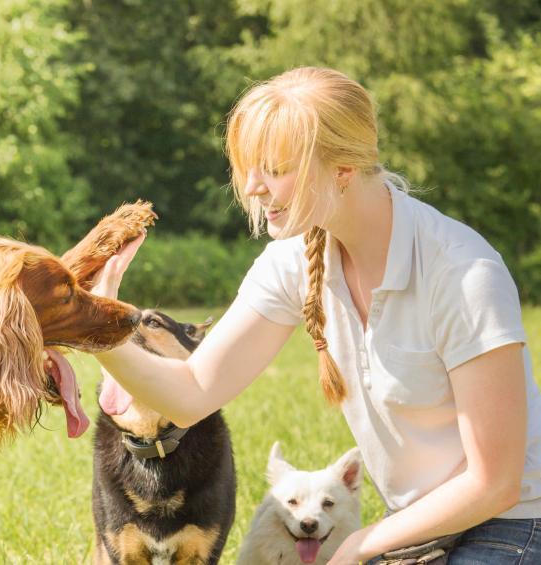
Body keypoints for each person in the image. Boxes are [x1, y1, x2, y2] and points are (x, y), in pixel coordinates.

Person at [90, 67, 541, 564]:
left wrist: (356, 547)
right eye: (248, 169)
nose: (254, 188)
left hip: (515, 523)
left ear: (343, 169)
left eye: (274, 169)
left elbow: (495, 483)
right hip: (414, 527)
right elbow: (192, 393)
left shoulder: (462, 273)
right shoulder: (293, 261)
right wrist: (100, 327)